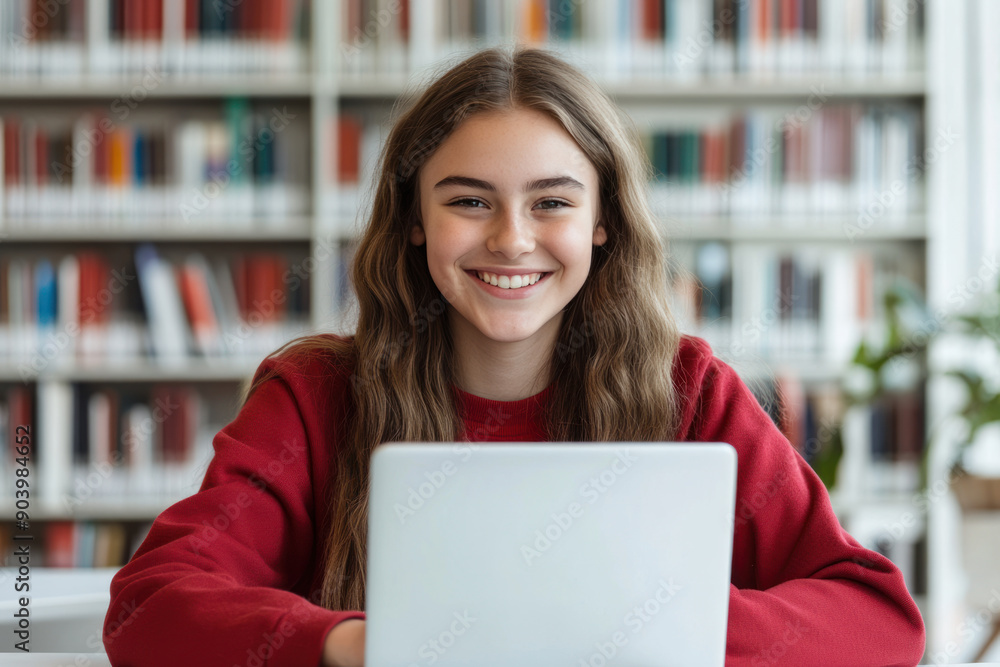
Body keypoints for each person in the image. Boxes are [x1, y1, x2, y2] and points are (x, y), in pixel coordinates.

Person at [103, 46, 925, 667]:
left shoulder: (690, 392)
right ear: (415, 216)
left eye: (553, 202)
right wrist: (369, 642)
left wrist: (649, 625)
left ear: (603, 221)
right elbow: (150, 606)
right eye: (469, 201)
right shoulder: (316, 395)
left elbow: (878, 617)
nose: (512, 239)